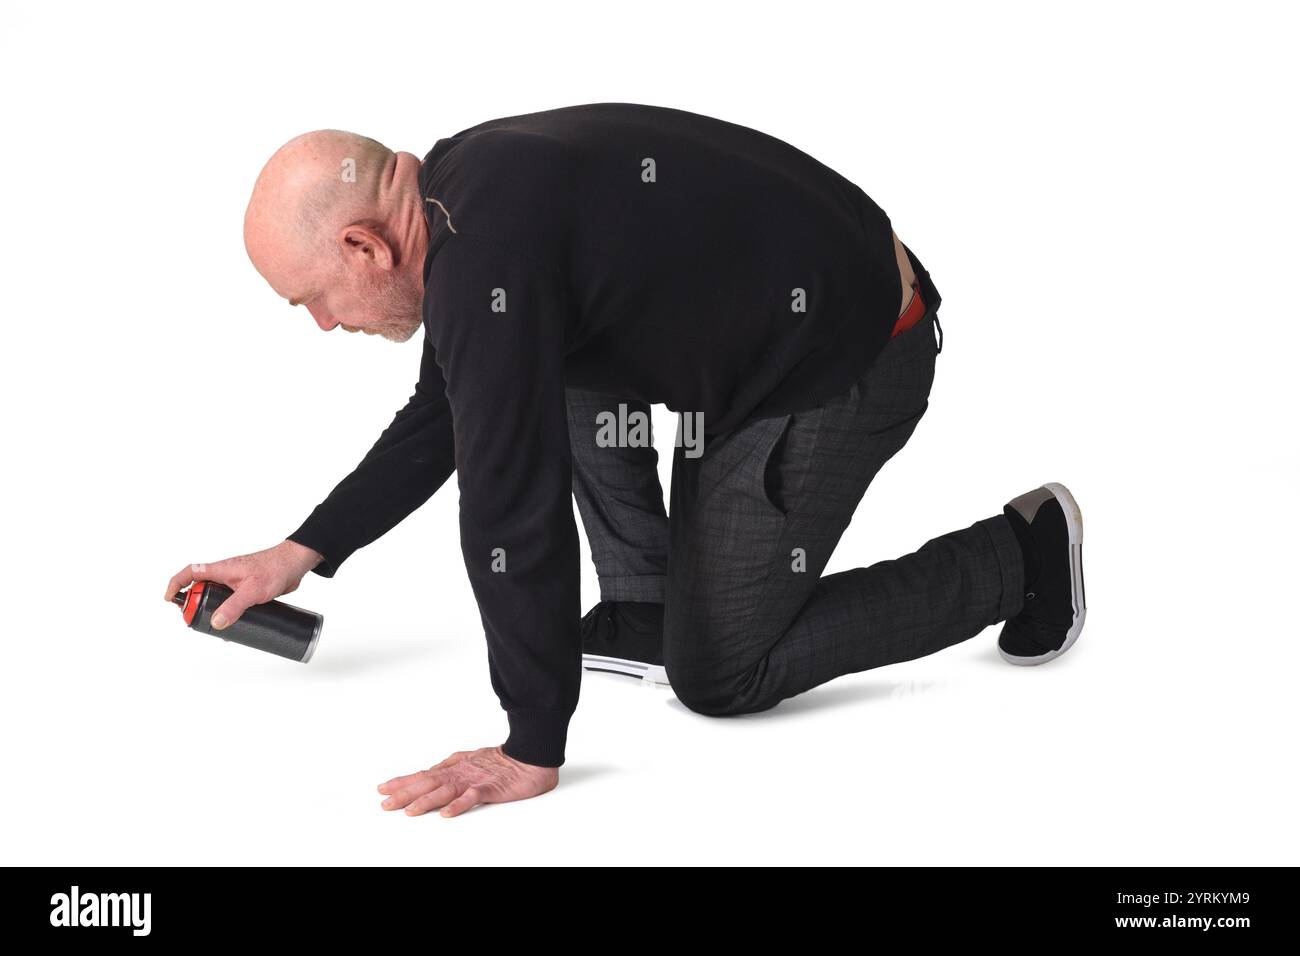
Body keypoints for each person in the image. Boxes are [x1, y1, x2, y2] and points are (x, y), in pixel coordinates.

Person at [164, 103, 1087, 818]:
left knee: (722, 675)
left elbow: (508, 503)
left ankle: (1019, 558)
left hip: (849, 356)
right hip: (766, 331)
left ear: (365, 243)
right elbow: (448, 404)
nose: (327, 325)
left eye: (314, 300)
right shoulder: (464, 190)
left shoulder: (486, 259)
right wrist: (302, 551)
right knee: (528, 362)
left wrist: (531, 742)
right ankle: (646, 599)